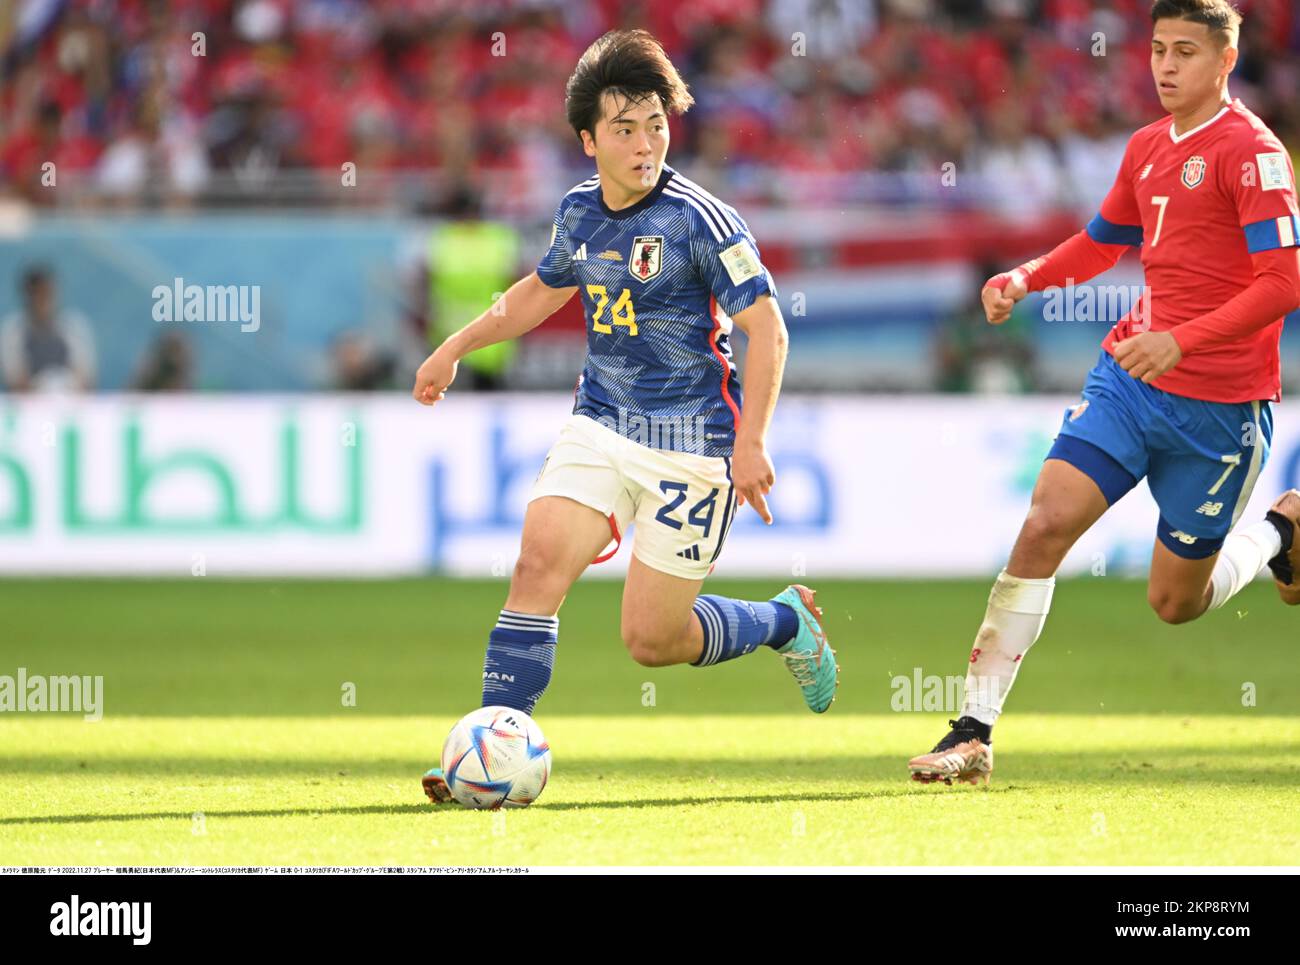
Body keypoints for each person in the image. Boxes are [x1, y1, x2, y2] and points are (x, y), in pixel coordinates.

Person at [412, 29, 838, 803]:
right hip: (601, 422)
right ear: (588, 140)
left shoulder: (702, 220)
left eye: (656, 125)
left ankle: (784, 622)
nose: (645, 145)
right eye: (624, 128)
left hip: (694, 447)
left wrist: (752, 441)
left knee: (652, 640)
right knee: (538, 562)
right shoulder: (577, 213)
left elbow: (767, 327)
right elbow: (539, 291)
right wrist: (457, 345)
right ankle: (492, 748)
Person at [909, 0, 1300, 787]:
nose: (1165, 65)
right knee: (1046, 521)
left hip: (1219, 411)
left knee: (1175, 602)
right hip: (1128, 380)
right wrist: (1026, 277)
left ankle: (1280, 534)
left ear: (1226, 61)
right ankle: (973, 730)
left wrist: (1184, 340)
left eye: (1186, 51)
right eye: (1158, 48)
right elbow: (1103, 240)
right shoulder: (1147, 147)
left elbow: (1284, 282)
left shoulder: (1254, 156)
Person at [0, 266, 96, 392]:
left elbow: (85, 379)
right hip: (30, 407)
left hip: (71, 404)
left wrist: (62, 388)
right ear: (27, 296)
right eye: (38, 294)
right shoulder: (12, 332)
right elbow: (15, 381)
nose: (43, 300)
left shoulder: (74, 327)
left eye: (47, 293)